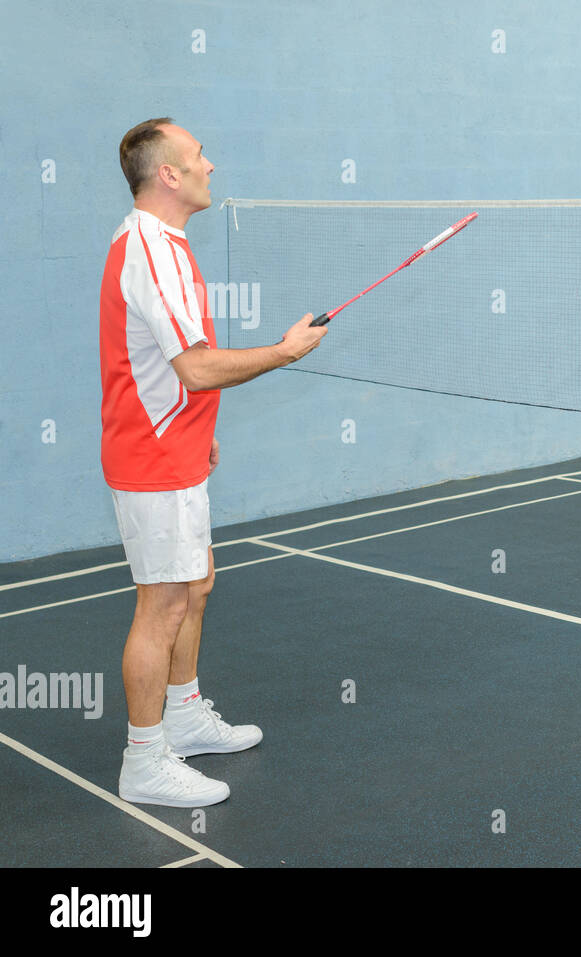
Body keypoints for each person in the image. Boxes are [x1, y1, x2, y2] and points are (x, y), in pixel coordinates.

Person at [101, 117, 327, 806]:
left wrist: (201, 429)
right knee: (163, 600)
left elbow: (163, 363)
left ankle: (184, 714)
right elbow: (195, 368)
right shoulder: (150, 248)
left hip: (177, 442)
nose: (211, 165)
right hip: (152, 454)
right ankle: (143, 761)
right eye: (198, 156)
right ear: (168, 174)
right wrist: (284, 353)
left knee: (195, 585)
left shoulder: (161, 240)